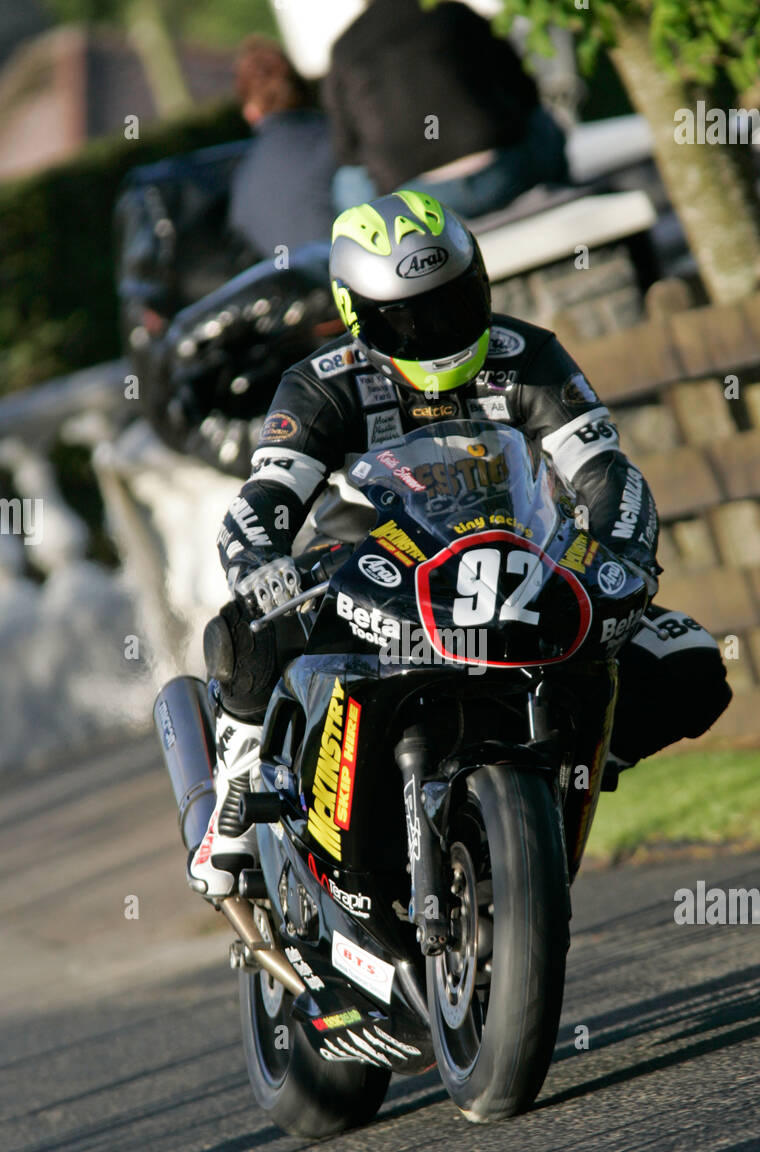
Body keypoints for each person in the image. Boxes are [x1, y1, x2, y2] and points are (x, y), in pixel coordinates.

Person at [188, 189, 732, 899]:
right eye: (405, 319)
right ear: (358, 315)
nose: (436, 330)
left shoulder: (530, 356)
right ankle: (237, 794)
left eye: (452, 302)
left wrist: (622, 555)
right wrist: (262, 567)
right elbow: (267, 495)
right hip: (368, 573)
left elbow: (605, 472)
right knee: (245, 633)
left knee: (692, 663)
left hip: (522, 564)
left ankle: (570, 761)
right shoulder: (320, 384)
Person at [323, 0, 568, 218]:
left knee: (347, 181)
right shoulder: (455, 13)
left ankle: (387, 248)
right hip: (505, 174)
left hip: (413, 203)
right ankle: (564, 206)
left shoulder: (345, 48)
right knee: (542, 120)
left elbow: (346, 151)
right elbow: (526, 92)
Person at [228, 35, 336, 260]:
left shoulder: (242, 181)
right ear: (304, 89)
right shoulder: (336, 137)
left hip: (298, 280)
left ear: (250, 112)